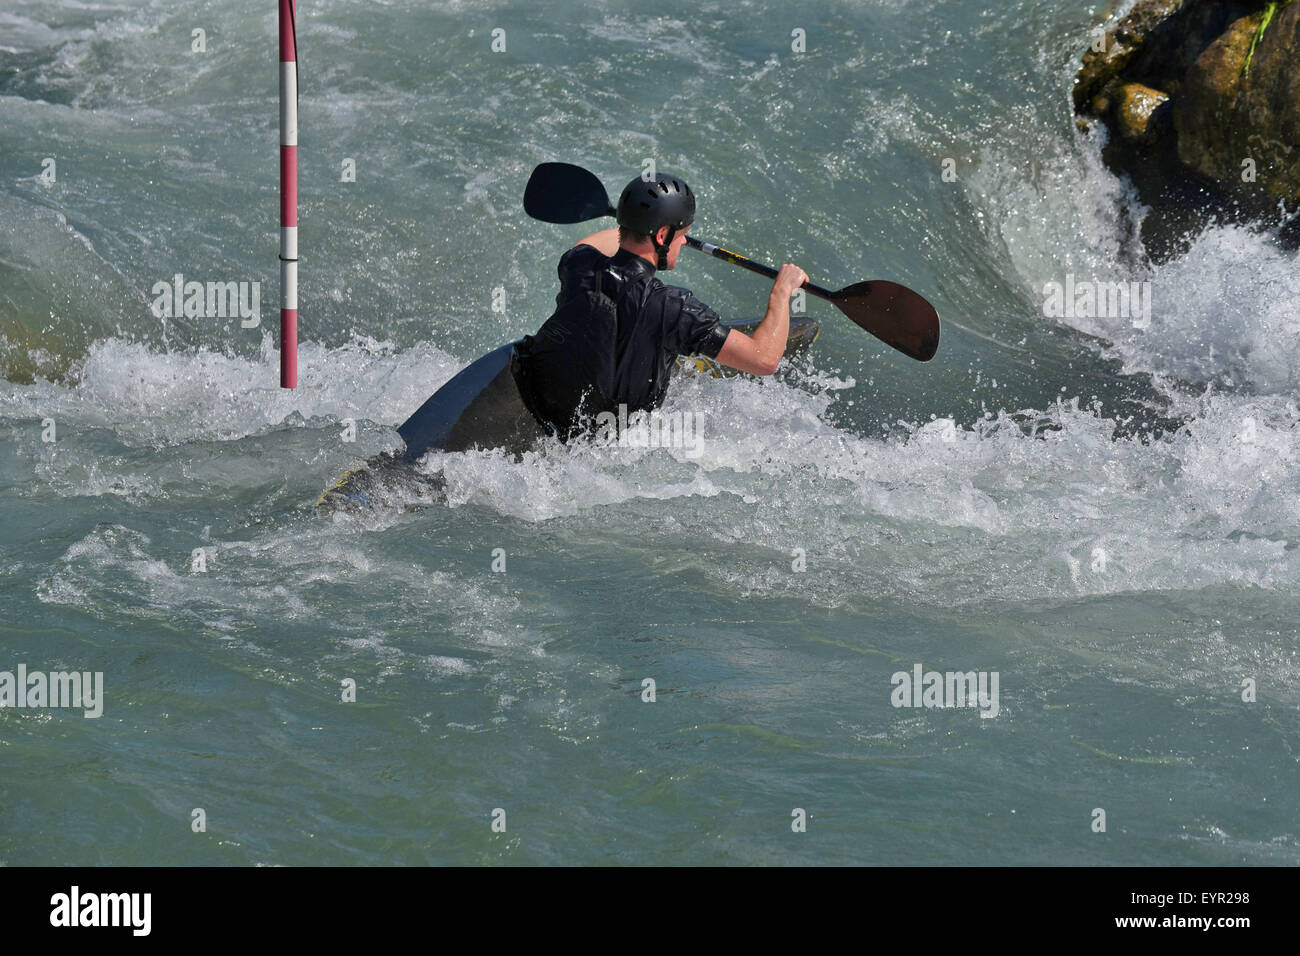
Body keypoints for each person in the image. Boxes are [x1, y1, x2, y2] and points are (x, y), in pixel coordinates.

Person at [510, 172, 808, 440]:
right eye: (682, 236)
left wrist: (634, 224)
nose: (684, 243)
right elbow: (764, 360)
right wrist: (782, 292)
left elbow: (595, 245)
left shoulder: (578, 266)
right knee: (664, 337)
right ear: (663, 236)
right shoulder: (674, 307)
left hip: (545, 404)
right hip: (604, 440)